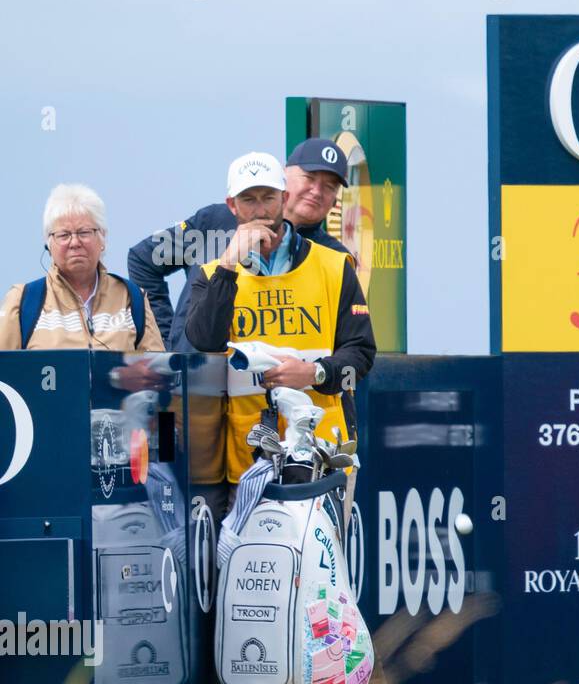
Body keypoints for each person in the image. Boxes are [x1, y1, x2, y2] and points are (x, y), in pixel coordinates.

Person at [185, 151, 375, 495]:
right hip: (247, 457)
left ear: (284, 198)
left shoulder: (335, 266)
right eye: (248, 199)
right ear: (232, 205)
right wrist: (229, 265)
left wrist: (314, 372)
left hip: (324, 455)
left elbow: (361, 353)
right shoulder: (213, 274)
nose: (259, 209)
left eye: (268, 197)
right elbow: (204, 340)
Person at [127, 138, 352, 350]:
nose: (317, 191)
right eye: (309, 178)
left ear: (336, 200)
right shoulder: (214, 220)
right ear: (285, 178)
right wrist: (166, 338)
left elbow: (350, 345)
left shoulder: (334, 258)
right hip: (193, 379)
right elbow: (143, 260)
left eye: (330, 186)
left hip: (281, 386)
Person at [1, 184, 163, 352]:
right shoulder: (23, 302)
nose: (75, 243)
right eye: (64, 235)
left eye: (84, 232)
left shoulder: (132, 298)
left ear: (102, 238)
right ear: (48, 244)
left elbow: (158, 371)